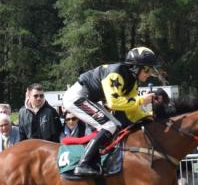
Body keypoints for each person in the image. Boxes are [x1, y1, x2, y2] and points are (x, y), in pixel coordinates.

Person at [64, 46, 160, 177]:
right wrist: (141, 100)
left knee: (116, 125)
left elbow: (131, 110)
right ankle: (83, 164)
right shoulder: (116, 73)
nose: (149, 74)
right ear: (136, 67)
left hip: (86, 98)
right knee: (109, 125)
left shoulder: (132, 82)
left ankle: (98, 159)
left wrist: (150, 117)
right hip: (76, 97)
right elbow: (113, 103)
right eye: (147, 69)